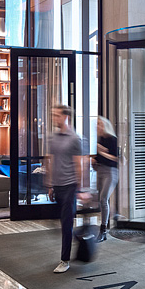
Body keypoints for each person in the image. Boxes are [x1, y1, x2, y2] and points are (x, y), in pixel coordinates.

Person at [45, 104, 86, 274]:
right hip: (57, 185)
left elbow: (79, 165)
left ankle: (65, 260)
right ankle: (79, 239)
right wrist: (49, 184)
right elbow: (51, 161)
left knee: (66, 222)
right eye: (53, 115)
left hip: (70, 185)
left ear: (65, 117)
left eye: (57, 116)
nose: (54, 119)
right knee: (60, 223)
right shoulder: (53, 137)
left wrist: (81, 188)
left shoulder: (74, 139)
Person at [93, 116, 119, 242]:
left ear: (105, 125)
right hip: (101, 171)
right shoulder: (100, 139)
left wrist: (101, 152)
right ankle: (106, 225)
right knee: (102, 200)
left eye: (99, 123)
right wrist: (93, 159)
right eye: (97, 124)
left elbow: (116, 158)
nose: (97, 126)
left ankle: (103, 230)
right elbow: (99, 158)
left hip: (111, 172)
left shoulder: (113, 139)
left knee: (103, 199)